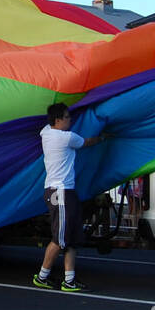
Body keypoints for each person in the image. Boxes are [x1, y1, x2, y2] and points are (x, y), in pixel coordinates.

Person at [33, 103, 107, 292]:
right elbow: (87, 142)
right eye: (67, 117)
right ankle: (42, 277)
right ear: (58, 120)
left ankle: (69, 280)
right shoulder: (66, 138)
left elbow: (48, 125)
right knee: (60, 238)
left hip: (65, 191)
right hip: (59, 192)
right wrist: (102, 138)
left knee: (72, 238)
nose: (70, 119)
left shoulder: (47, 132)